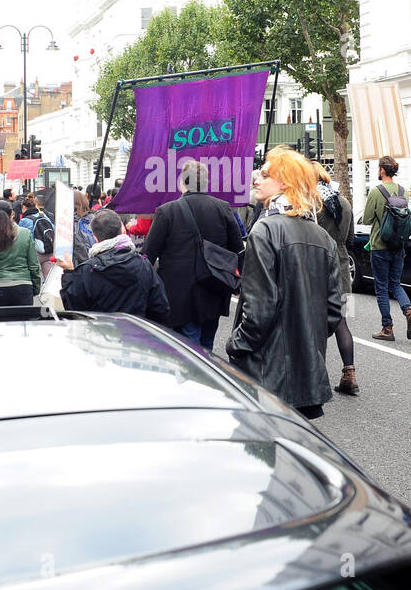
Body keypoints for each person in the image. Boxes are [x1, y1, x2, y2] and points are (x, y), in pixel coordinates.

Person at [227, 146, 343, 420]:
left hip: (266, 373)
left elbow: (259, 309)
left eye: (265, 175)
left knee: (265, 454)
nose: (256, 179)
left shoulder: (264, 229)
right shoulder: (322, 236)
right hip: (307, 370)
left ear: (284, 182)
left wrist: (235, 344)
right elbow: (334, 310)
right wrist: (305, 338)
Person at [143, 159, 245, 353]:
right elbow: (238, 249)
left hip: (179, 292)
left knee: (188, 350)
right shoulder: (223, 208)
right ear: (206, 183)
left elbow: (148, 254)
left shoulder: (167, 211)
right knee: (207, 343)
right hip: (215, 286)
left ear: (182, 182)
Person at [58, 209, 170, 322]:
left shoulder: (87, 271)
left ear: (95, 237)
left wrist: (69, 272)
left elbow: (74, 311)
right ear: (122, 230)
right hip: (136, 334)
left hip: (99, 334)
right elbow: (160, 308)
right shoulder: (143, 264)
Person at [359, 155, 411, 342]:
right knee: (395, 283)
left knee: (382, 287)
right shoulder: (404, 192)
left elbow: (367, 219)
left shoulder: (376, 191)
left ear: (383, 170)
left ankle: (387, 327)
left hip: (379, 245)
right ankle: (408, 310)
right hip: (398, 246)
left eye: (378, 168)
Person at [312, 164, 359, 396]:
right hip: (342, 266)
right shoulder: (345, 203)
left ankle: (316, 375)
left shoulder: (312, 203)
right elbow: (350, 238)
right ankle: (349, 372)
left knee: (315, 322)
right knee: (342, 321)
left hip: (317, 263)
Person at [0, 199, 42, 307]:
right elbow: (34, 265)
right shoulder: (26, 234)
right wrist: (36, 287)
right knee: (24, 323)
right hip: (23, 286)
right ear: (12, 215)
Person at [72, 189, 93, 266]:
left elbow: (82, 253)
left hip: (79, 266)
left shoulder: (72, 222)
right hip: (95, 264)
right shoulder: (93, 218)